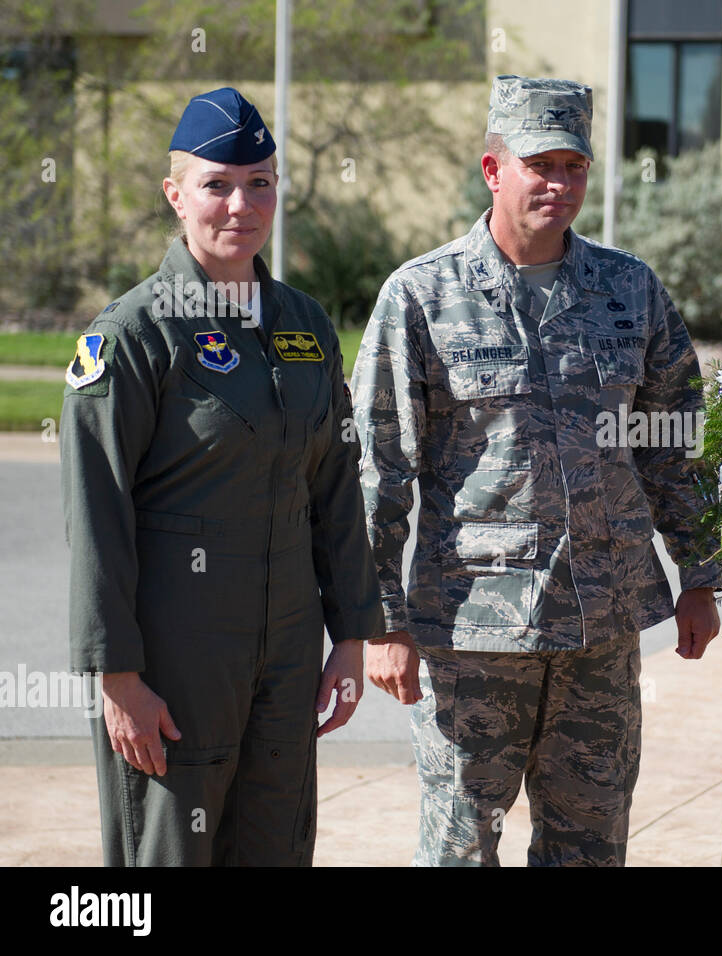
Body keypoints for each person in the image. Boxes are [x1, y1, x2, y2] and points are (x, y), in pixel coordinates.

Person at [353, 74, 722, 867]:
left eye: (575, 167)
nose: (560, 183)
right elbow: (381, 468)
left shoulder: (629, 289)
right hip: (473, 630)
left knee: (590, 845)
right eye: (540, 164)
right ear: (494, 169)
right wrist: (380, 621)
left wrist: (700, 572)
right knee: (460, 847)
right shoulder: (421, 295)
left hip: (601, 627)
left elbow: (674, 440)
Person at [60, 87, 382, 866]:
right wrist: (118, 677)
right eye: (217, 185)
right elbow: (96, 514)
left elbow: (334, 484)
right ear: (176, 196)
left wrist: (351, 634)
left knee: (276, 841)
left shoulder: (304, 325)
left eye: (260, 182)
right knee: (168, 850)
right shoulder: (133, 335)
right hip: (177, 656)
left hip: (287, 653)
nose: (241, 204)